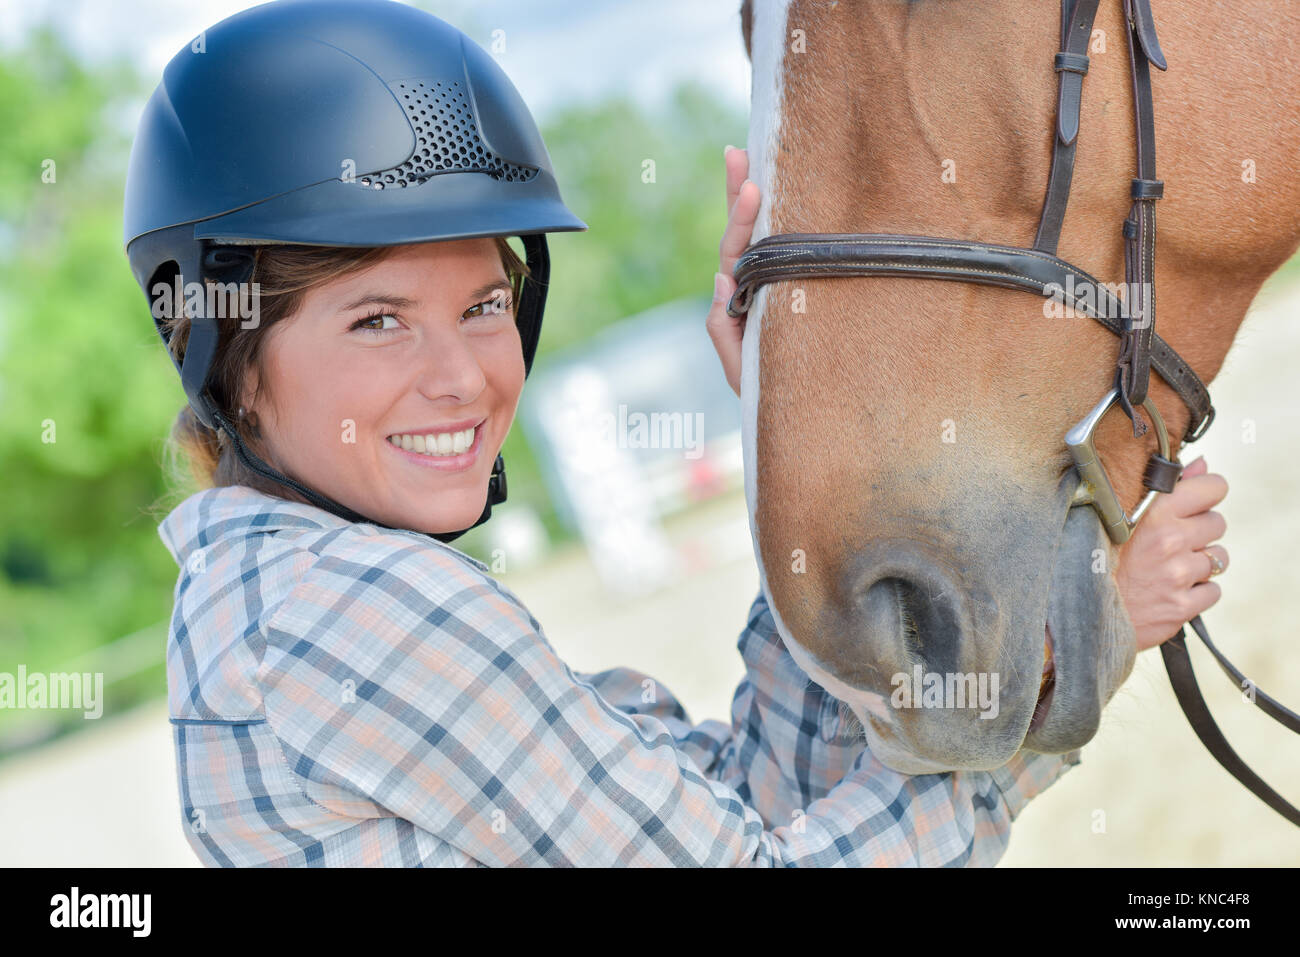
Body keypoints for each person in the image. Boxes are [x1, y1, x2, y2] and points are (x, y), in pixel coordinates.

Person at [130, 0, 1229, 867]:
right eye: (378, 322)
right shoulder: (355, 615)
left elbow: (745, 804)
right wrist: (1079, 643)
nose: (462, 376)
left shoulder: (267, 602)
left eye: (481, 305)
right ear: (227, 356)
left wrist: (790, 420)